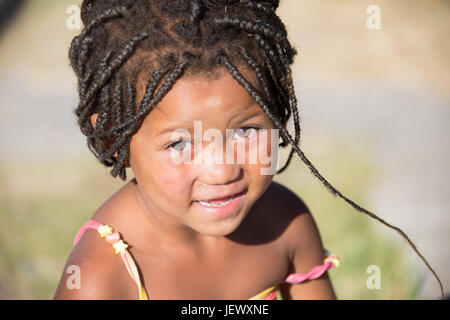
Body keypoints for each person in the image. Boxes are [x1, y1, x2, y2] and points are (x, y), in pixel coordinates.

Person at [53, 0, 443, 299]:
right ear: (111, 138)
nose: (222, 171)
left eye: (245, 131)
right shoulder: (101, 278)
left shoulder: (285, 223)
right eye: (179, 143)